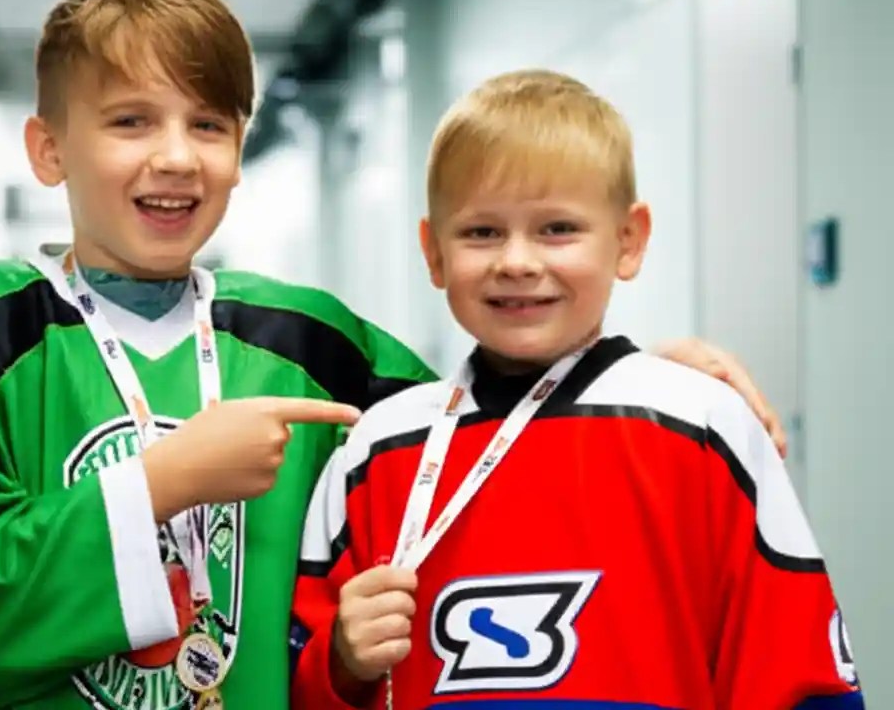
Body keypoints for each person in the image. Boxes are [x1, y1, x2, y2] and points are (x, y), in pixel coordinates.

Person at [0, 0, 791, 709]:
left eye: (208, 124)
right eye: (130, 121)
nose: (177, 156)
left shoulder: (310, 340)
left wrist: (629, 375)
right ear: (49, 148)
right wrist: (160, 482)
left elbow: (489, 447)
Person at [289, 69, 862, 710]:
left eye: (557, 228)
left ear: (629, 239)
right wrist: (339, 663)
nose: (517, 261)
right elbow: (298, 675)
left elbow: (796, 672)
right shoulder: (378, 450)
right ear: (434, 252)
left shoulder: (701, 426)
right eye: (481, 232)